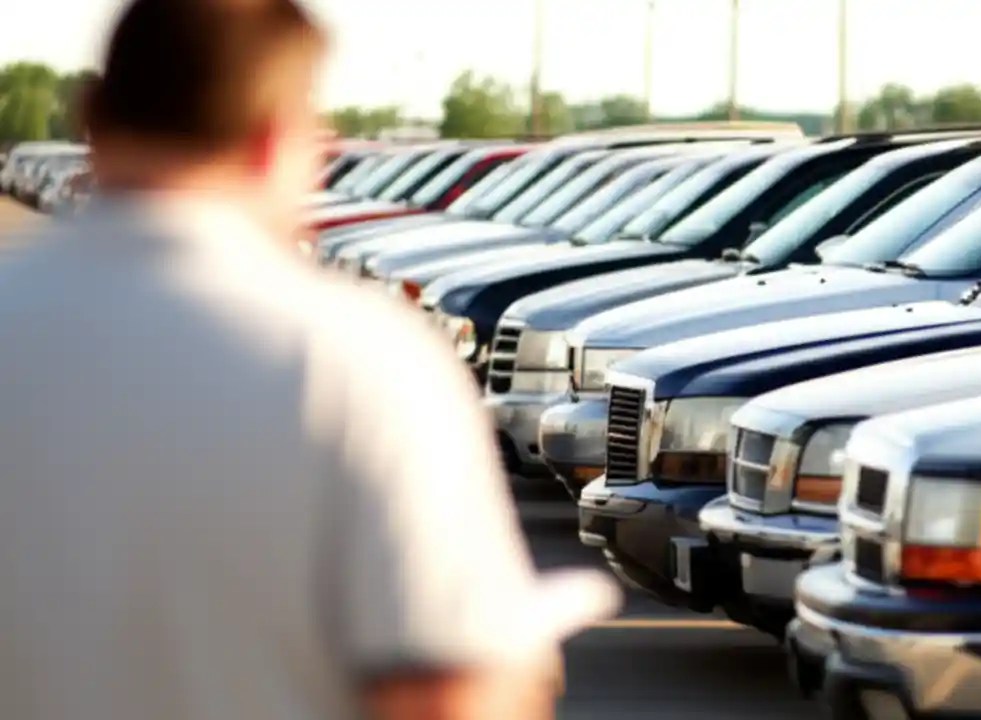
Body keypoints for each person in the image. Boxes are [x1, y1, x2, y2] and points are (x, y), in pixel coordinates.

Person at [0, 1, 619, 719]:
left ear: (93, 117)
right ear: (277, 140)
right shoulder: (366, 361)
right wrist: (517, 673)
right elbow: (448, 696)